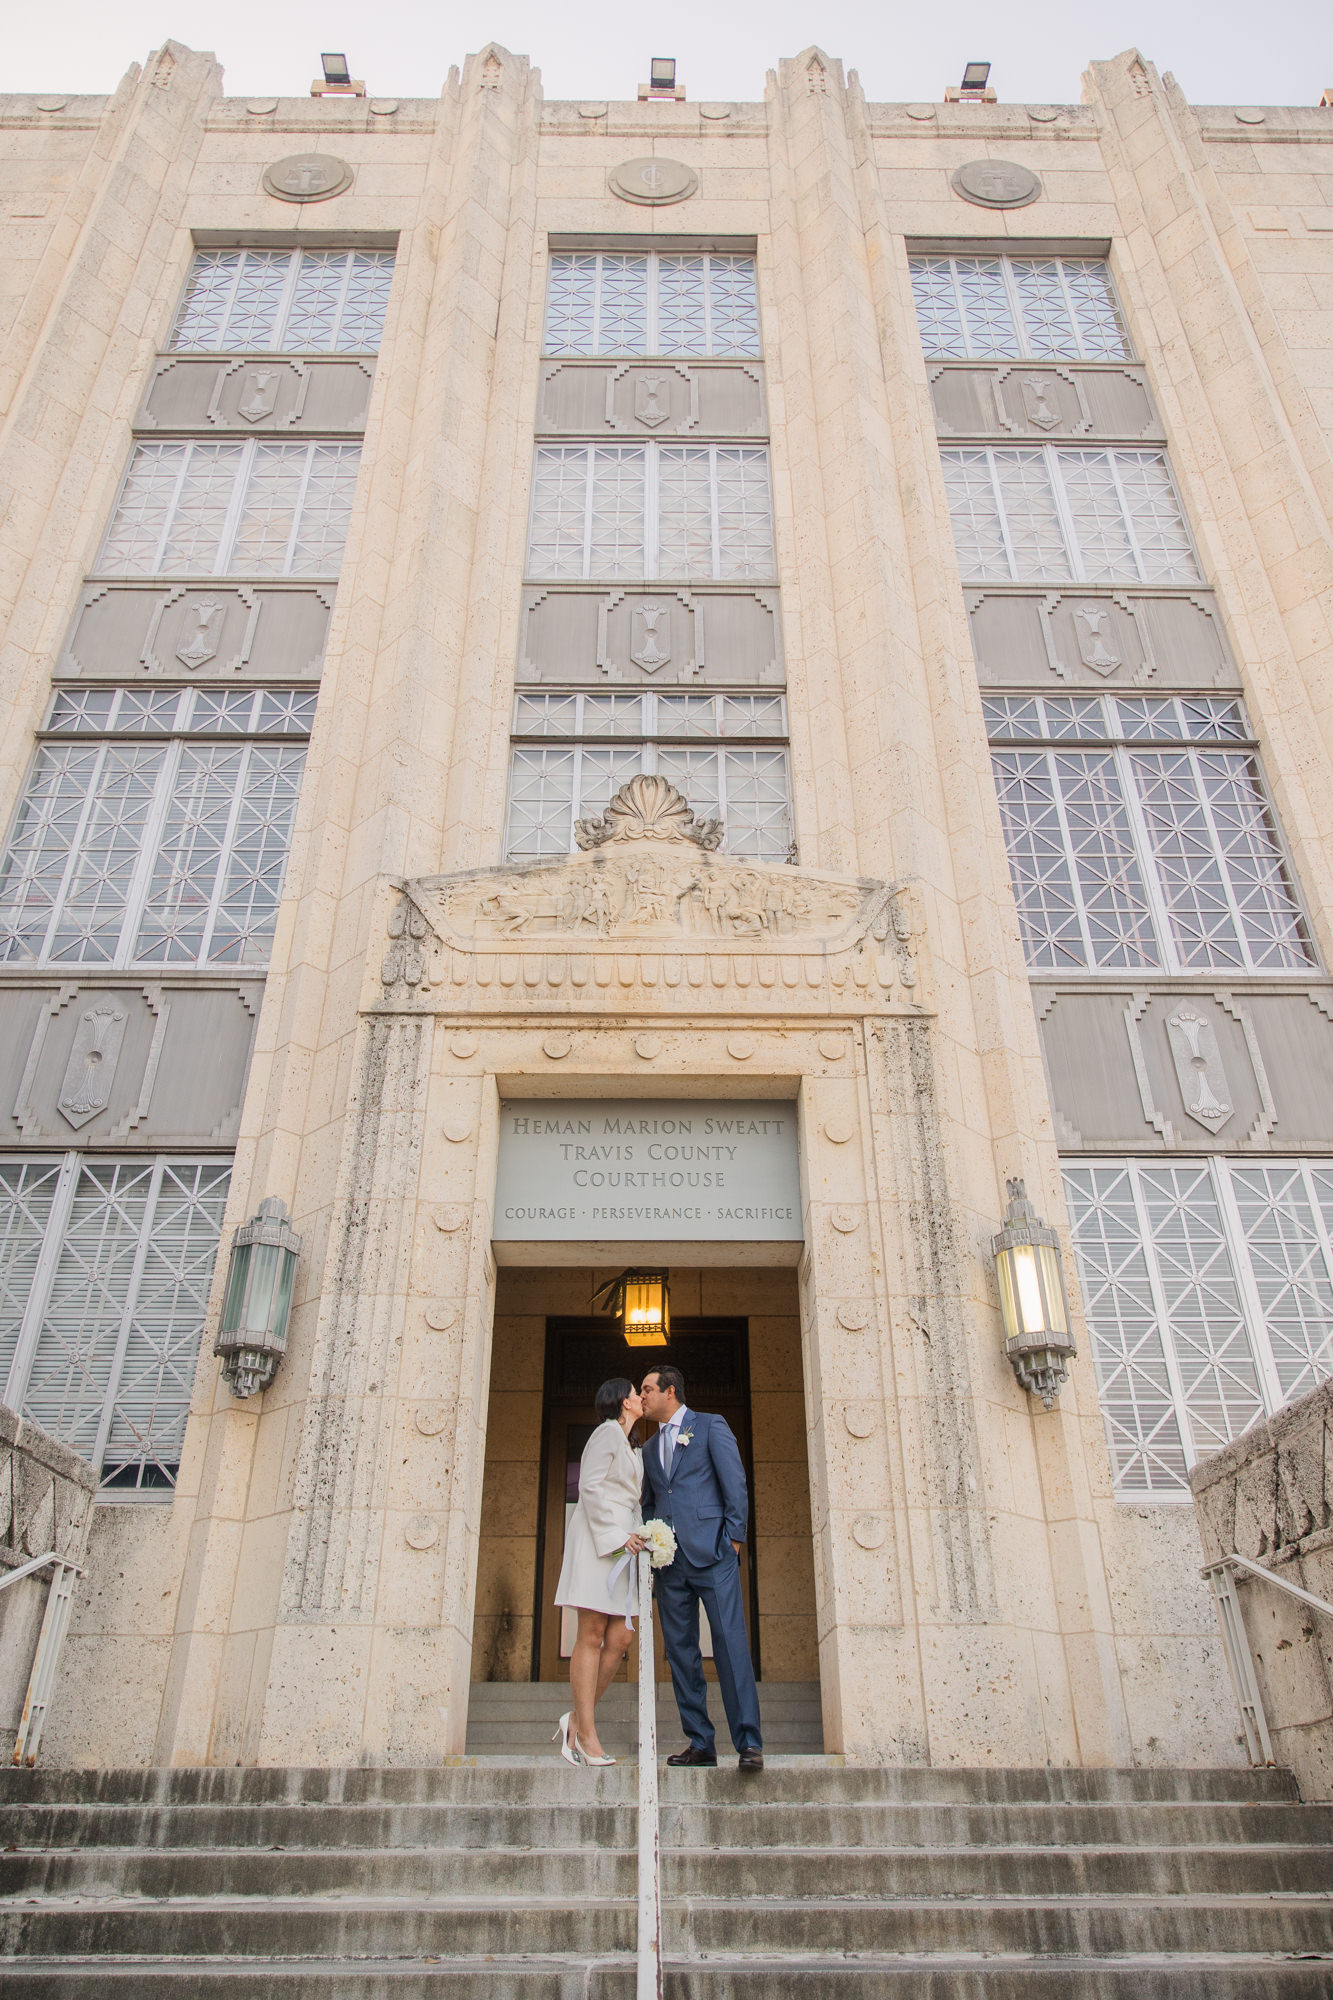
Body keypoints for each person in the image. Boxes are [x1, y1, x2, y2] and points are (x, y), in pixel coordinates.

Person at [640, 1365, 764, 1772]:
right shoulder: (648, 1446)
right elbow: (651, 1499)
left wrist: (733, 1540)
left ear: (669, 1392)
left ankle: (749, 1743)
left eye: (647, 1390)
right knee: (681, 1655)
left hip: (714, 1557)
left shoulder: (710, 1426)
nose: (642, 1397)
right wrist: (651, 1542)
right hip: (670, 1566)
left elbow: (735, 1482)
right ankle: (700, 1742)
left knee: (730, 1646)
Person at [552, 1377, 647, 1766]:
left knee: (622, 1636)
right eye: (635, 1392)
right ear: (623, 1401)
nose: (642, 1397)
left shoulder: (632, 1443)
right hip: (598, 1539)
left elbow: (633, 1497)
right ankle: (587, 1736)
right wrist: (616, 1535)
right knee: (590, 1633)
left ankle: (575, 1720)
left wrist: (642, 1536)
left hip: (626, 1543)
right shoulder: (606, 1434)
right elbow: (589, 1488)